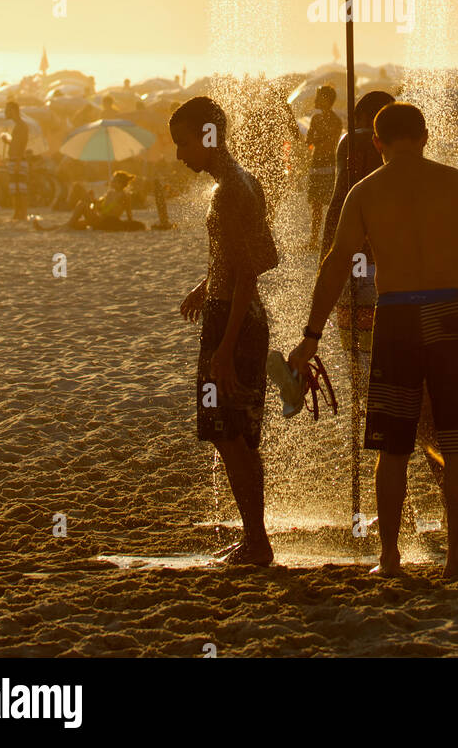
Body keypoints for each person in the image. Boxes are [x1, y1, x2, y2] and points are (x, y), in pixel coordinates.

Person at [289, 102, 458, 578]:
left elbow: (337, 262)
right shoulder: (456, 181)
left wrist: (311, 336)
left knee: (393, 445)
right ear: (424, 136)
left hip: (397, 313)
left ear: (376, 143)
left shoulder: (365, 191)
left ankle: (390, 559)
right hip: (451, 311)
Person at [171, 96, 279, 567]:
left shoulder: (231, 190)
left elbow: (251, 270)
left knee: (231, 435)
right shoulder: (242, 182)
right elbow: (265, 254)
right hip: (235, 316)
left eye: (183, 142)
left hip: (234, 324)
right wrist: (208, 280)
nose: (179, 155)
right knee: (233, 434)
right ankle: (255, 539)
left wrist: (226, 347)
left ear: (208, 135)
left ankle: (256, 543)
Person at [305, 85, 342, 251]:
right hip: (320, 164)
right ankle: (315, 240)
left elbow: (315, 141)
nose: (315, 100)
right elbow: (311, 141)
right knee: (317, 205)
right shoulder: (323, 120)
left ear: (326, 99)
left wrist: (317, 140)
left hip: (325, 165)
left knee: (325, 205)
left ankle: (322, 240)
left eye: (318, 96)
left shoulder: (330, 120)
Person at [4, 100, 29, 221]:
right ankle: (17, 213)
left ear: (13, 111)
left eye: (7, 110)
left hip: (18, 160)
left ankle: (22, 214)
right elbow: (16, 144)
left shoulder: (22, 126)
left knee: (21, 189)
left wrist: (18, 162)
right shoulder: (18, 126)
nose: (5, 112)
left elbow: (22, 146)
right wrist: (8, 141)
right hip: (14, 160)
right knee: (15, 189)